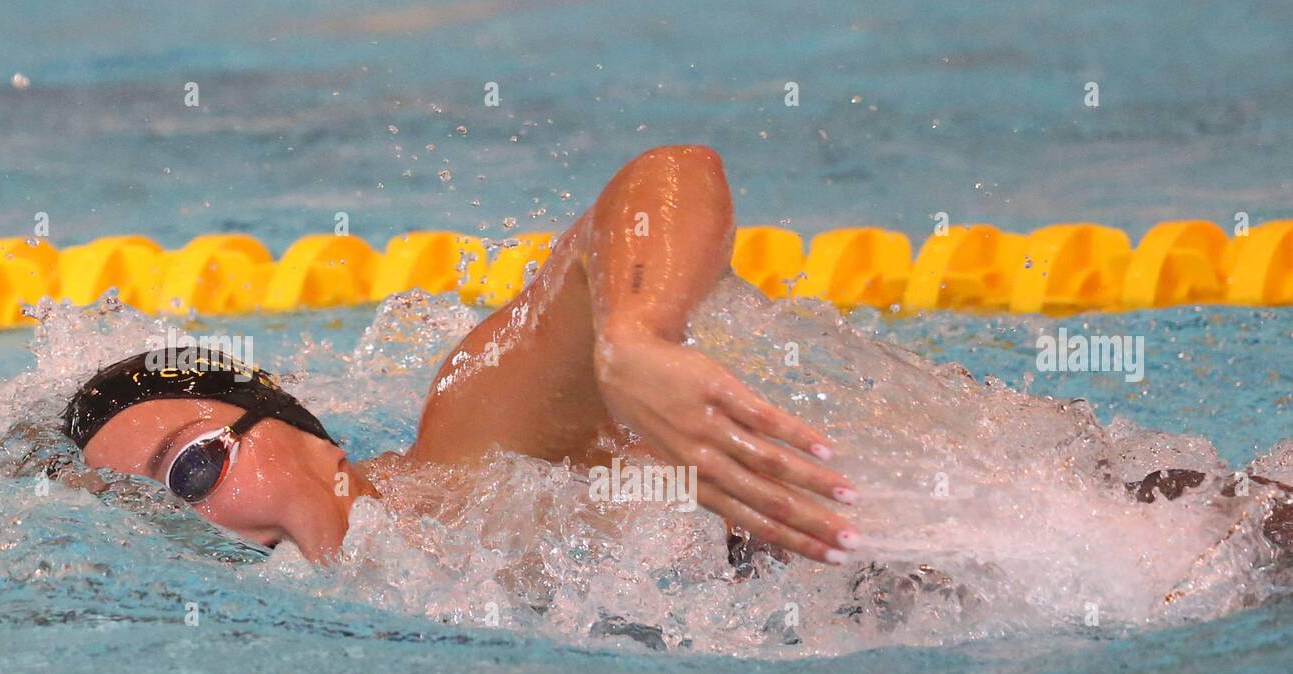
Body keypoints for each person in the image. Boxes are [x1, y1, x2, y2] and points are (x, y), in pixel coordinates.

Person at [64, 146, 864, 565]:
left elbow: (671, 173)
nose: (198, 530)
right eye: (153, 521)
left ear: (304, 431)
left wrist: (637, 336)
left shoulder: (471, 446)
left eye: (193, 469)